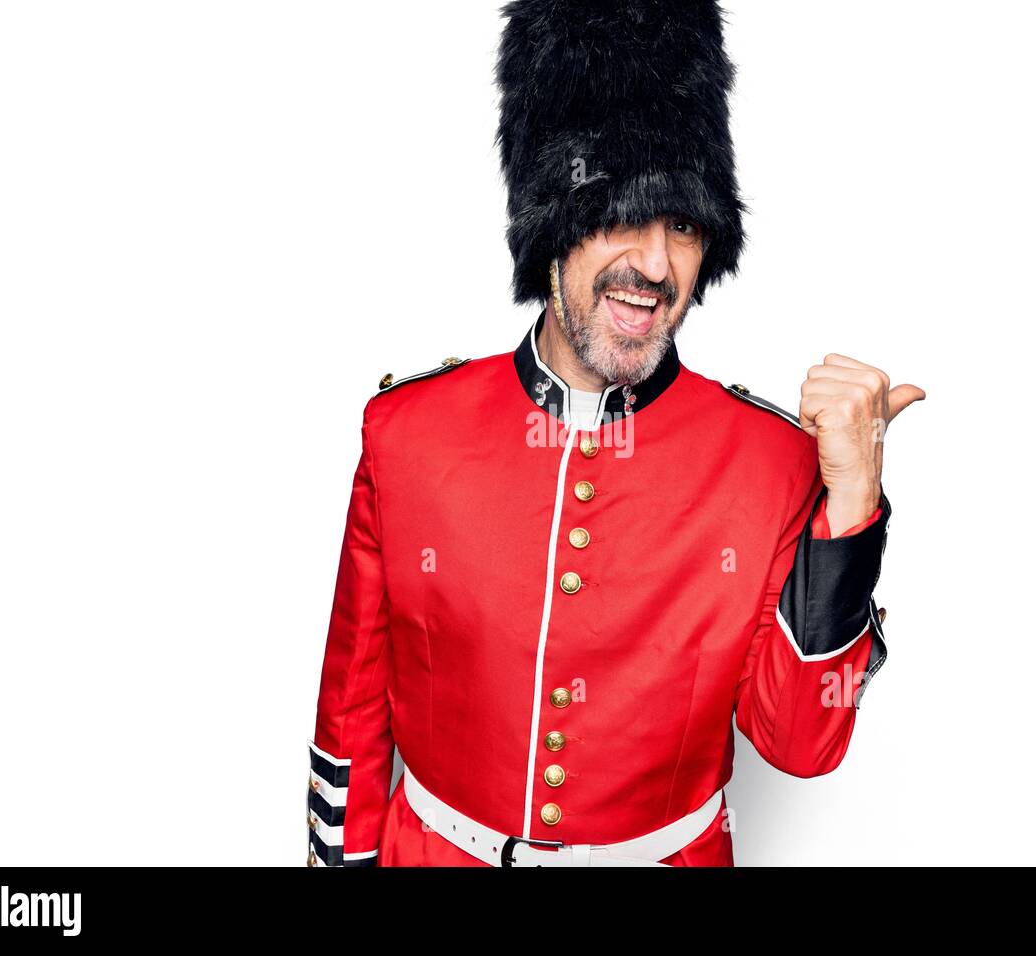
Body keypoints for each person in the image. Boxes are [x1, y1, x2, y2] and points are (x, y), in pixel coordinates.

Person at [305, 0, 924, 867]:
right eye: (625, 213)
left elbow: (801, 744)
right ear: (553, 219)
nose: (658, 267)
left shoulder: (772, 462)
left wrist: (854, 498)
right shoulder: (409, 432)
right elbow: (352, 716)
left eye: (684, 225)